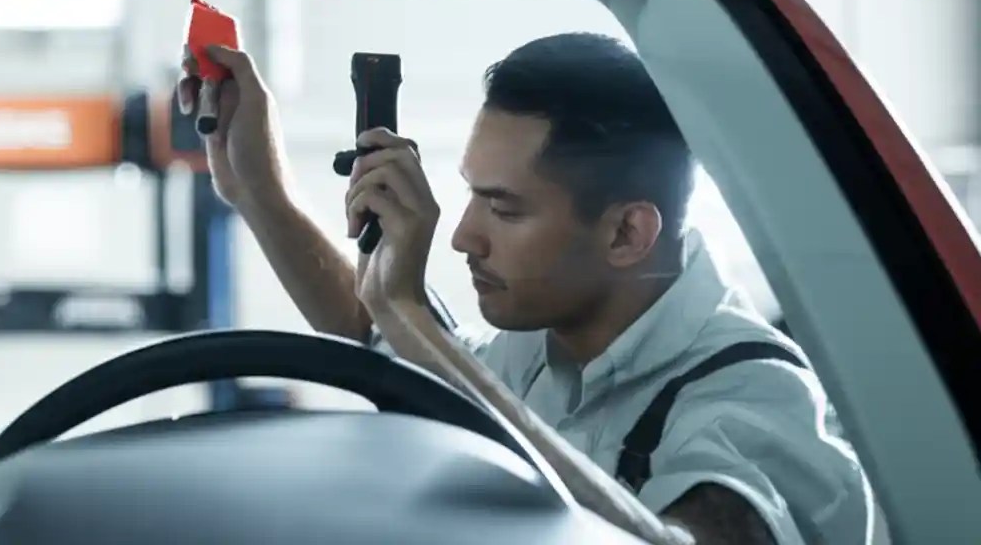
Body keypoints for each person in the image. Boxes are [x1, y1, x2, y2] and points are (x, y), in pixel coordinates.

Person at [177, 32, 872, 545]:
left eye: (505, 209)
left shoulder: (757, 399)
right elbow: (387, 348)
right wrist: (257, 188)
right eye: (472, 196)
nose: (463, 236)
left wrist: (413, 317)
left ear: (628, 233)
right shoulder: (544, 348)